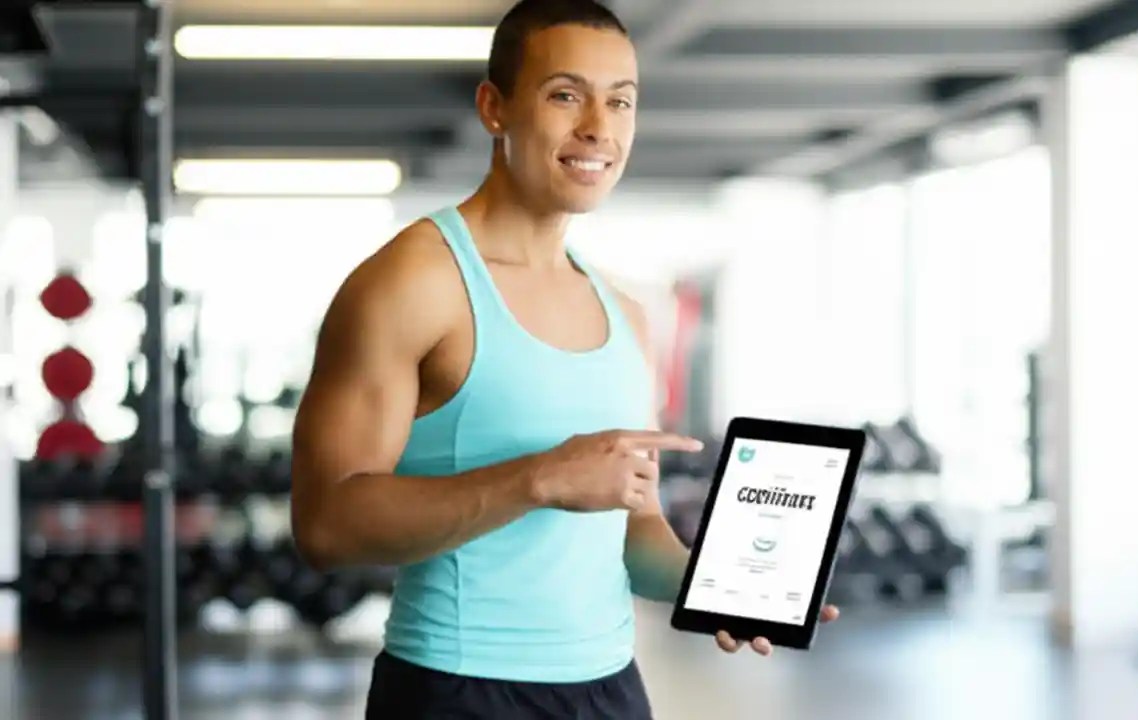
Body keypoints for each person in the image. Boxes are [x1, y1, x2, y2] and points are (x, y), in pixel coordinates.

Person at [290, 1, 839, 717]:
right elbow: (327, 526)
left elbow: (629, 529)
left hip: (609, 686)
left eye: (621, 102)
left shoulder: (626, 314)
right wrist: (542, 477)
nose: (598, 129)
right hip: (458, 687)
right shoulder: (413, 283)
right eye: (565, 95)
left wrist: (715, 588)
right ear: (494, 107)